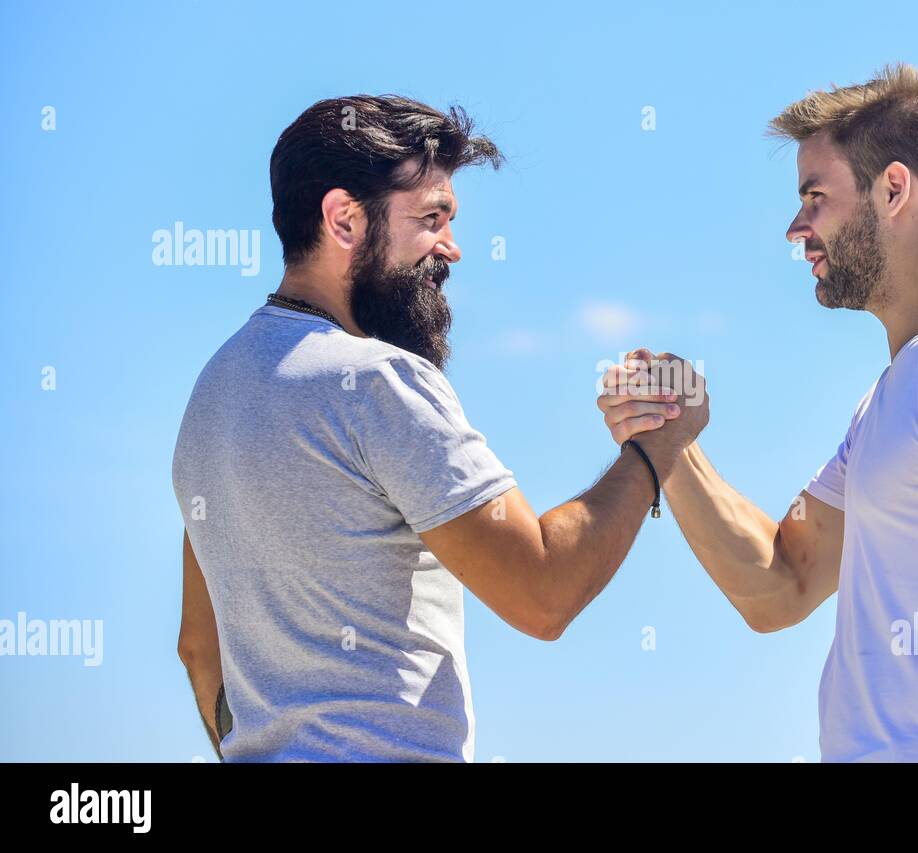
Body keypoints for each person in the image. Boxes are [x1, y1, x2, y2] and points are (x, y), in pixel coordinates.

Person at [172, 95, 706, 762]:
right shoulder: (377, 381)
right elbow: (543, 592)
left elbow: (199, 649)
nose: (451, 247)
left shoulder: (213, 395)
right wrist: (653, 451)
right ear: (343, 219)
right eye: (431, 219)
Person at [598, 64, 918, 762]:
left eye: (815, 197)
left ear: (893, 189)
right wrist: (670, 442)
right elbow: (783, 581)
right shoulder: (894, 392)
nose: (797, 228)